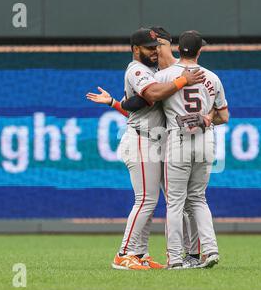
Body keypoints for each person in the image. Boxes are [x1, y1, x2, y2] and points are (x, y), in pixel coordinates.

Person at [86, 28, 204, 270]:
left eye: (155, 46)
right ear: (135, 49)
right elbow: (152, 94)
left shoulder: (154, 71)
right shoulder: (137, 69)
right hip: (142, 139)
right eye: (149, 48)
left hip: (154, 141)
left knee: (152, 201)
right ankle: (123, 254)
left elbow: (135, 107)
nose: (154, 51)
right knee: (145, 200)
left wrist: (113, 102)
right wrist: (182, 80)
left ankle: (140, 254)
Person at [154, 30, 230, 269]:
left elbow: (150, 102)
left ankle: (175, 258)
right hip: (205, 139)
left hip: (178, 139)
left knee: (175, 203)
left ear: (178, 49)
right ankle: (211, 251)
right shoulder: (213, 77)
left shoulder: (164, 75)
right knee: (198, 199)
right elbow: (224, 116)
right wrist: (207, 118)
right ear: (199, 51)